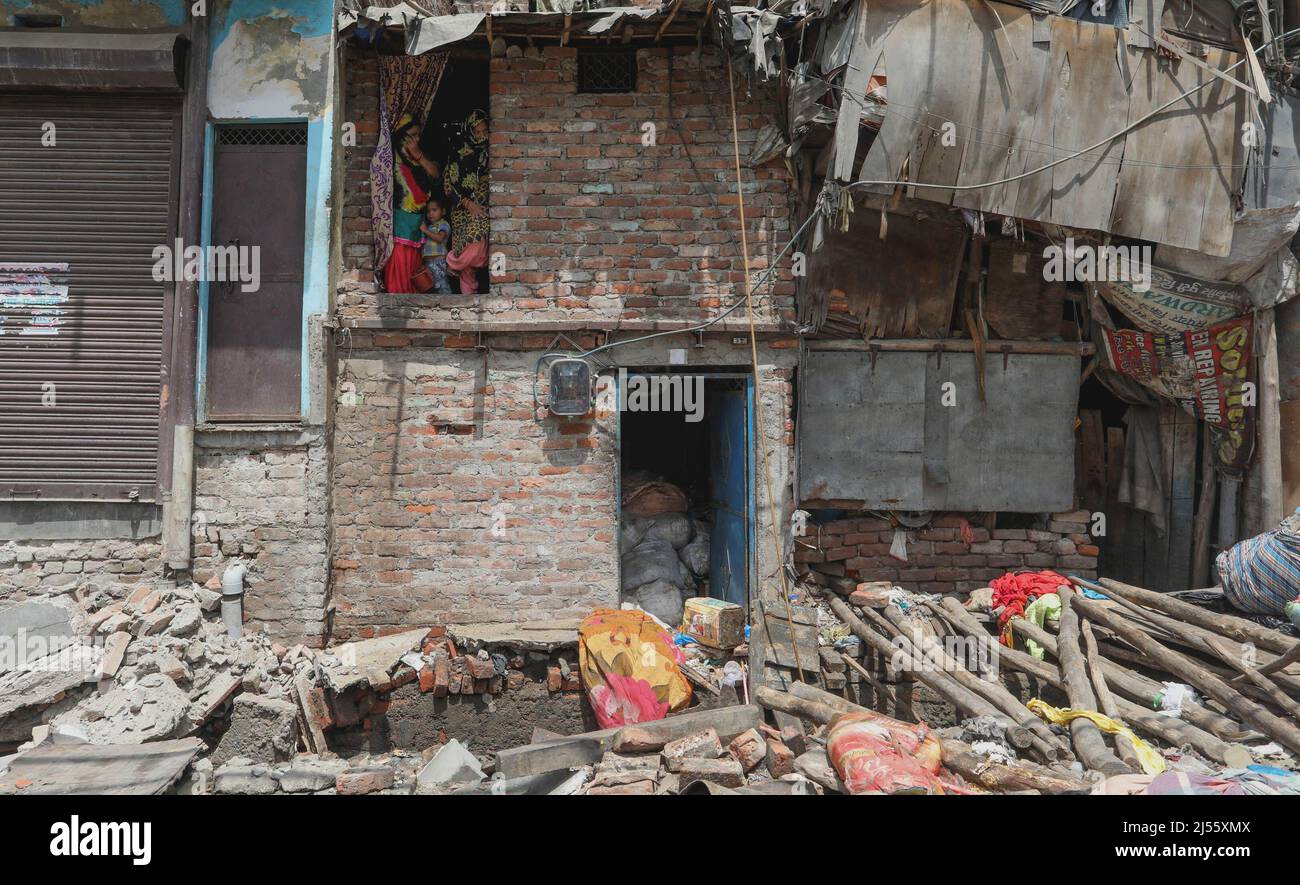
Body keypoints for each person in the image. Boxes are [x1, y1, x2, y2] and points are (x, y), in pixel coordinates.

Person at [384, 114, 440, 294]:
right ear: (401, 136)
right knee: (400, 261)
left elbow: (436, 176)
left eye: (418, 135)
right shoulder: (390, 157)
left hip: (417, 220)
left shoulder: (418, 158)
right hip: (400, 220)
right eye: (412, 135)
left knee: (413, 265)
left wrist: (419, 156)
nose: (417, 139)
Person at [443, 109, 489, 294]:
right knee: (473, 249)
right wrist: (468, 204)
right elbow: (448, 186)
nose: (481, 135)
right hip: (462, 209)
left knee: (477, 256)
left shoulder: (492, 150)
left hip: (484, 206)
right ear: (470, 131)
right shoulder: (458, 152)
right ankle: (453, 261)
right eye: (477, 132)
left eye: (485, 131)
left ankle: (456, 267)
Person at [419, 196, 453, 294]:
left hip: (439, 262)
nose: (431, 213)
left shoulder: (443, 224)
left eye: (434, 210)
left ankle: (449, 305)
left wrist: (425, 230)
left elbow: (440, 238)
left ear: (443, 211)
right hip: (428, 263)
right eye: (428, 211)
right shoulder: (429, 226)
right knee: (432, 287)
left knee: (442, 286)